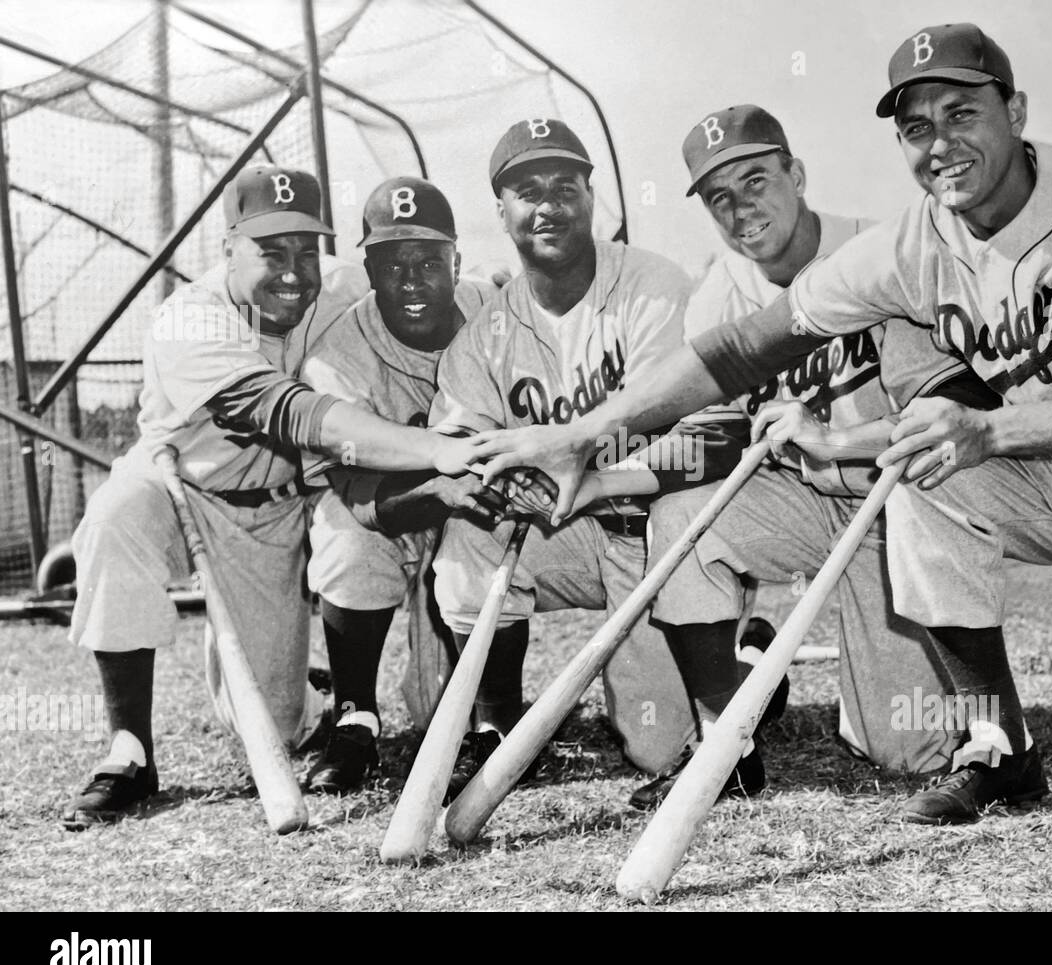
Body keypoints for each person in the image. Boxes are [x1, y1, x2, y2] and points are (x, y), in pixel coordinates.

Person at [466, 23, 1052, 824]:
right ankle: (999, 745)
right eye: (915, 128)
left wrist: (982, 434)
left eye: (961, 114)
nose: (939, 145)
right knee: (927, 474)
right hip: (1047, 472)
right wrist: (584, 437)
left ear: (1015, 112)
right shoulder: (908, 246)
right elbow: (743, 348)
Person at [62, 165, 474, 829]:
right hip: (188, 487)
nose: (292, 271)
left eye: (306, 251)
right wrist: (434, 452)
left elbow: (443, 291)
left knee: (280, 728)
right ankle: (129, 750)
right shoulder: (188, 319)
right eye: (270, 251)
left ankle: (321, 699)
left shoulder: (345, 285)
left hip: (288, 501)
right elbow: (284, 411)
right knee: (114, 518)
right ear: (227, 249)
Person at [632, 104, 961, 809]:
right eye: (719, 197)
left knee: (905, 750)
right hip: (802, 500)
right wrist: (609, 473)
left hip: (898, 502)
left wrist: (836, 438)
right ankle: (729, 741)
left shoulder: (877, 250)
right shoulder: (718, 291)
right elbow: (711, 433)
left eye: (755, 180)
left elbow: (949, 411)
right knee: (683, 517)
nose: (740, 207)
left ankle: (757, 659)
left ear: (797, 174)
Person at [429, 118, 738, 794]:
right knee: (465, 535)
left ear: (590, 197)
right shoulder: (484, 335)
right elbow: (456, 455)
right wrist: (490, 484)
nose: (548, 206)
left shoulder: (654, 286)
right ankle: (496, 728)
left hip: (652, 537)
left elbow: (717, 437)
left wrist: (595, 472)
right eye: (527, 190)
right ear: (502, 211)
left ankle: (740, 666)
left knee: (657, 750)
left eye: (565, 187)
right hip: (557, 531)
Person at [297, 177, 502, 793]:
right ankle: (354, 716)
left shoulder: (498, 317)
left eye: (429, 262)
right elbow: (358, 496)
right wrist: (437, 491)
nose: (412, 281)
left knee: (433, 710)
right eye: (392, 264)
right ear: (368, 268)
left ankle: (492, 720)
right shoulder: (337, 357)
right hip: (388, 516)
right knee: (338, 531)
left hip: (470, 522)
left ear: (457, 261)